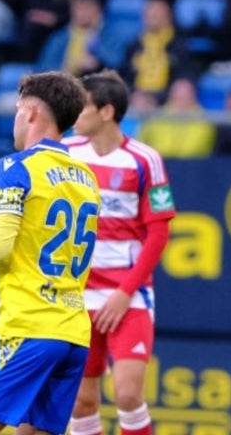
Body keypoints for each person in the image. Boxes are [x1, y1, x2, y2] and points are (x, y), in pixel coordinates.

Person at [0, 71, 101, 435]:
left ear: (31, 113)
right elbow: (39, 240)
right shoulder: (86, 177)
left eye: (18, 110)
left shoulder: (15, 167)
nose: (15, 119)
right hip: (73, 335)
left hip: (28, 327)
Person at [64, 70, 176, 435]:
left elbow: (159, 233)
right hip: (75, 295)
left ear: (107, 112)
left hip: (127, 295)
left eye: (82, 107)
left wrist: (125, 293)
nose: (74, 115)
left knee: (127, 394)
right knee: (81, 400)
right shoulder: (64, 155)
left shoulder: (145, 159)